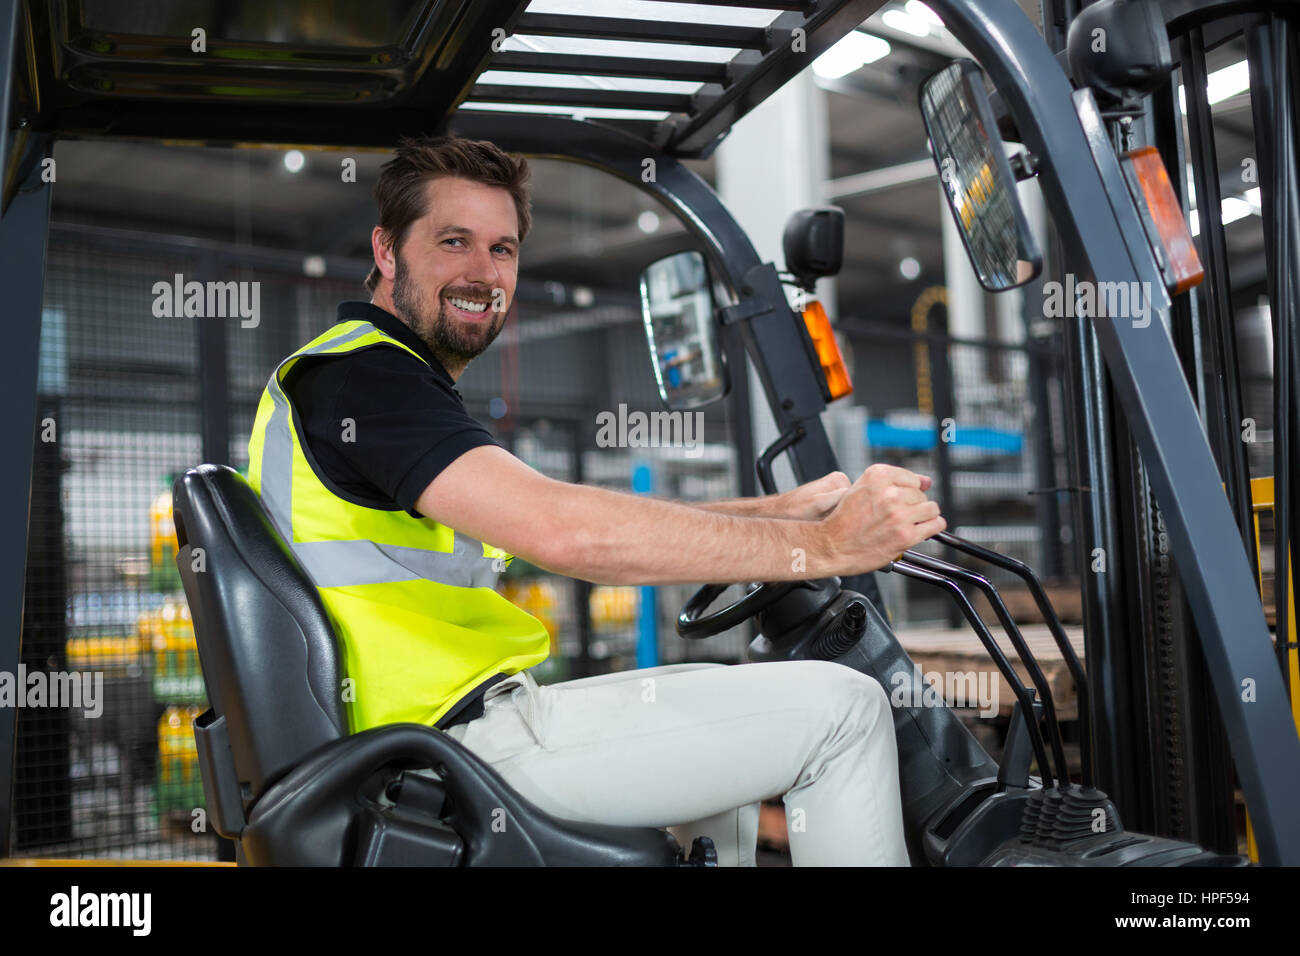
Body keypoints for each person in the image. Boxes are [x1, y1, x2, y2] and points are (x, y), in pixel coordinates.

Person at [246, 134, 945, 866]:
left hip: (436, 738)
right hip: (439, 754)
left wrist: (781, 514)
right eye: (454, 241)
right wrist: (829, 548)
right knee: (847, 709)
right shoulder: (366, 380)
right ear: (387, 251)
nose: (483, 272)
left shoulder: (371, 377)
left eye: (503, 250)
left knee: (727, 695)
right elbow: (568, 534)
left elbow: (561, 514)